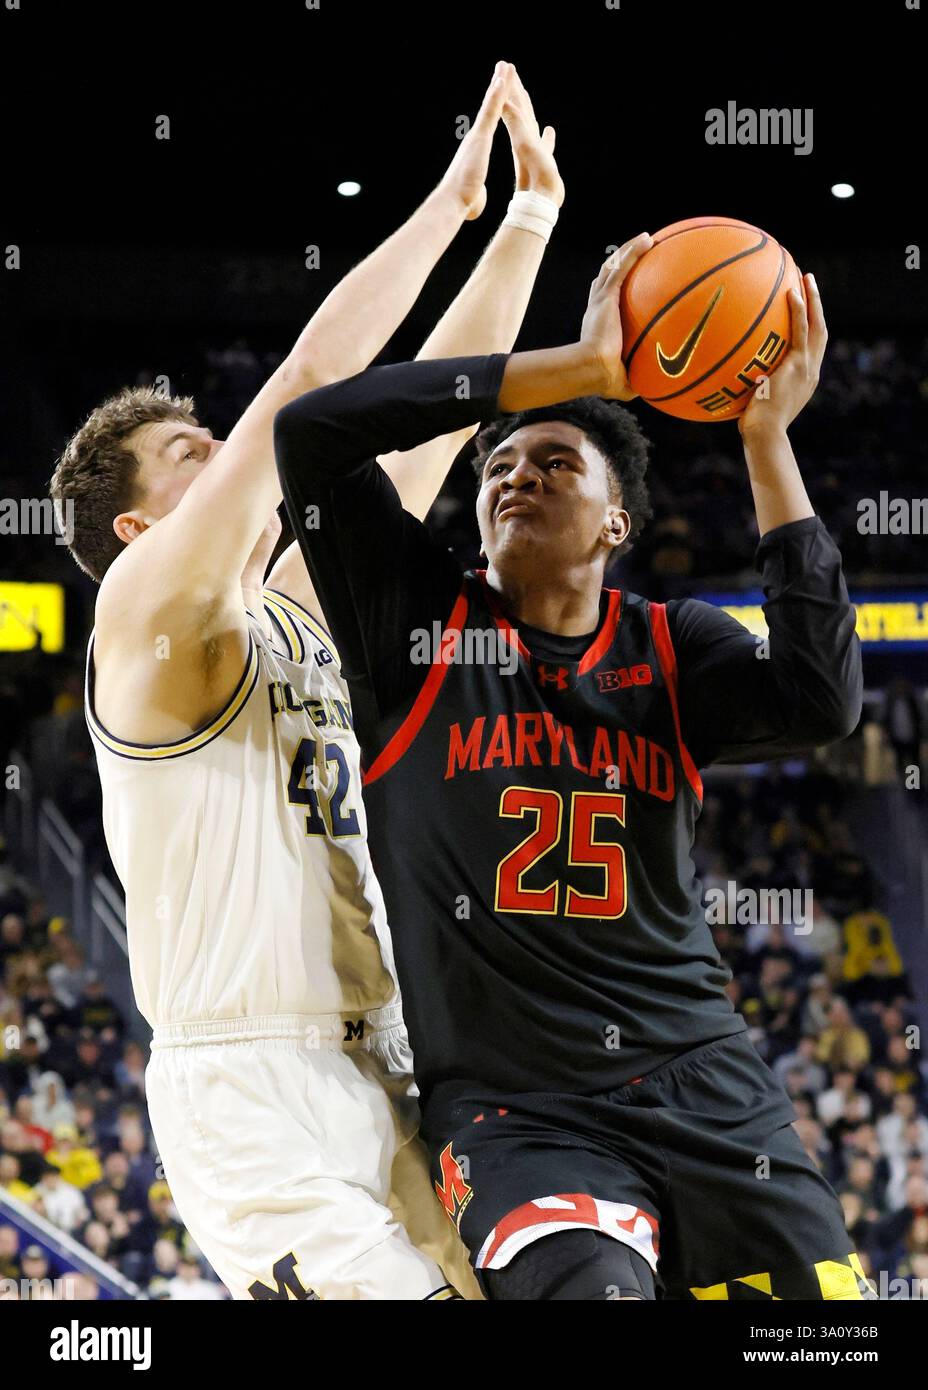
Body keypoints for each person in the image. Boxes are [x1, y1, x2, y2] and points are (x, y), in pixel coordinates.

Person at [49, 62, 562, 1298]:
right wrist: (446, 208)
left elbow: (428, 431)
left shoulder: (289, 612)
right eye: (188, 454)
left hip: (385, 1061)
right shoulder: (142, 620)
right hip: (250, 1088)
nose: (221, 450)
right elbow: (305, 399)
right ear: (133, 530)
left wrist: (527, 224)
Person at [275, 238, 871, 1299]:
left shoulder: (673, 646)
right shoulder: (414, 626)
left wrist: (767, 440)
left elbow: (821, 699)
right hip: (522, 1113)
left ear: (616, 521)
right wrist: (579, 370)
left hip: (706, 1084)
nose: (515, 476)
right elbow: (311, 432)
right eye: (498, 466)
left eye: (555, 463)